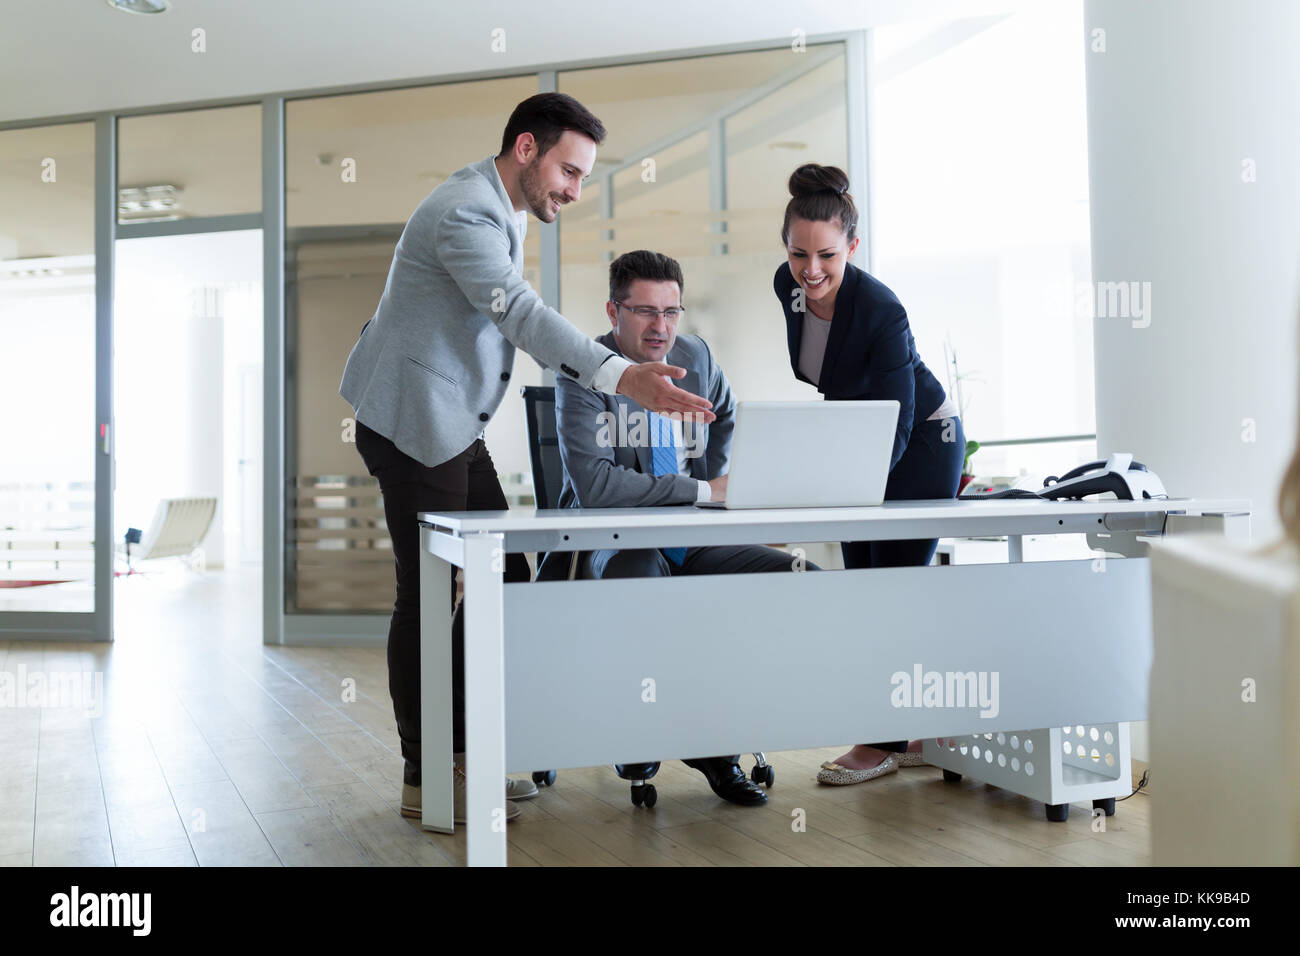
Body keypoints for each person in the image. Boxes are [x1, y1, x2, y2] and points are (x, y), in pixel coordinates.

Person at [339, 93, 715, 824]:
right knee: (428, 590)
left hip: (451, 420)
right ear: (524, 150)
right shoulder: (465, 211)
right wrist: (617, 373)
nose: (574, 190)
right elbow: (518, 313)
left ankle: (466, 750)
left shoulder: (499, 206)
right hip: (413, 418)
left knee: (501, 571)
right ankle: (428, 775)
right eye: (568, 171)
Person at [537, 249, 820, 805]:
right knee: (647, 584)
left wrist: (713, 489)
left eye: (671, 311)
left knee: (795, 575)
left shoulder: (696, 354)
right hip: (614, 545)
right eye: (645, 311)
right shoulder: (585, 369)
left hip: (691, 538)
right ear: (614, 311)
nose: (661, 327)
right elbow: (597, 487)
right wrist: (698, 490)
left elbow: (728, 415)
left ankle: (717, 733)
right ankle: (654, 735)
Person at [772, 163, 964, 785]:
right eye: (799, 253)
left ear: (852, 247)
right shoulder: (788, 284)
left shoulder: (882, 309)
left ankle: (881, 741)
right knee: (864, 584)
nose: (812, 270)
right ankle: (906, 730)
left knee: (891, 584)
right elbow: (827, 375)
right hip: (856, 433)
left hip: (921, 442)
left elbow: (898, 423)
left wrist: (850, 483)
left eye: (827, 254)